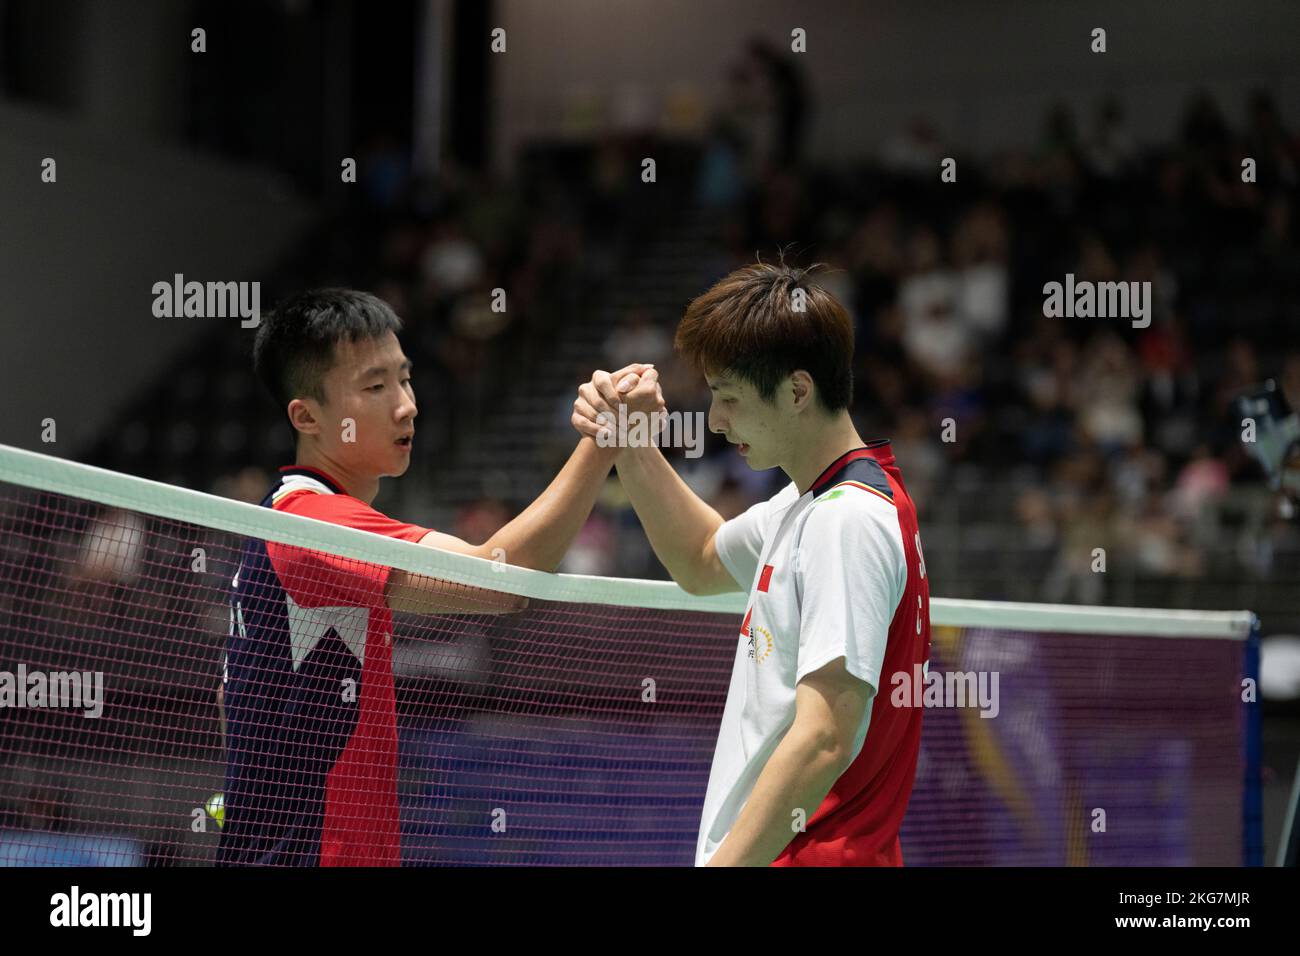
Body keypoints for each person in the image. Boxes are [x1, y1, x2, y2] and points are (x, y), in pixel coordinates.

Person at [218, 288, 655, 866]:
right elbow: (500, 579)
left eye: (405, 379)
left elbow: (231, 700)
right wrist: (602, 442)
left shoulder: (286, 514)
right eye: (375, 387)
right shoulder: (310, 522)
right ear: (307, 416)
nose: (406, 405)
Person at [571, 260, 931, 866]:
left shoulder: (846, 521)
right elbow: (700, 558)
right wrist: (630, 440)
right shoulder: (810, 503)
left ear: (796, 391)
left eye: (729, 398)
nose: (714, 420)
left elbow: (825, 737)